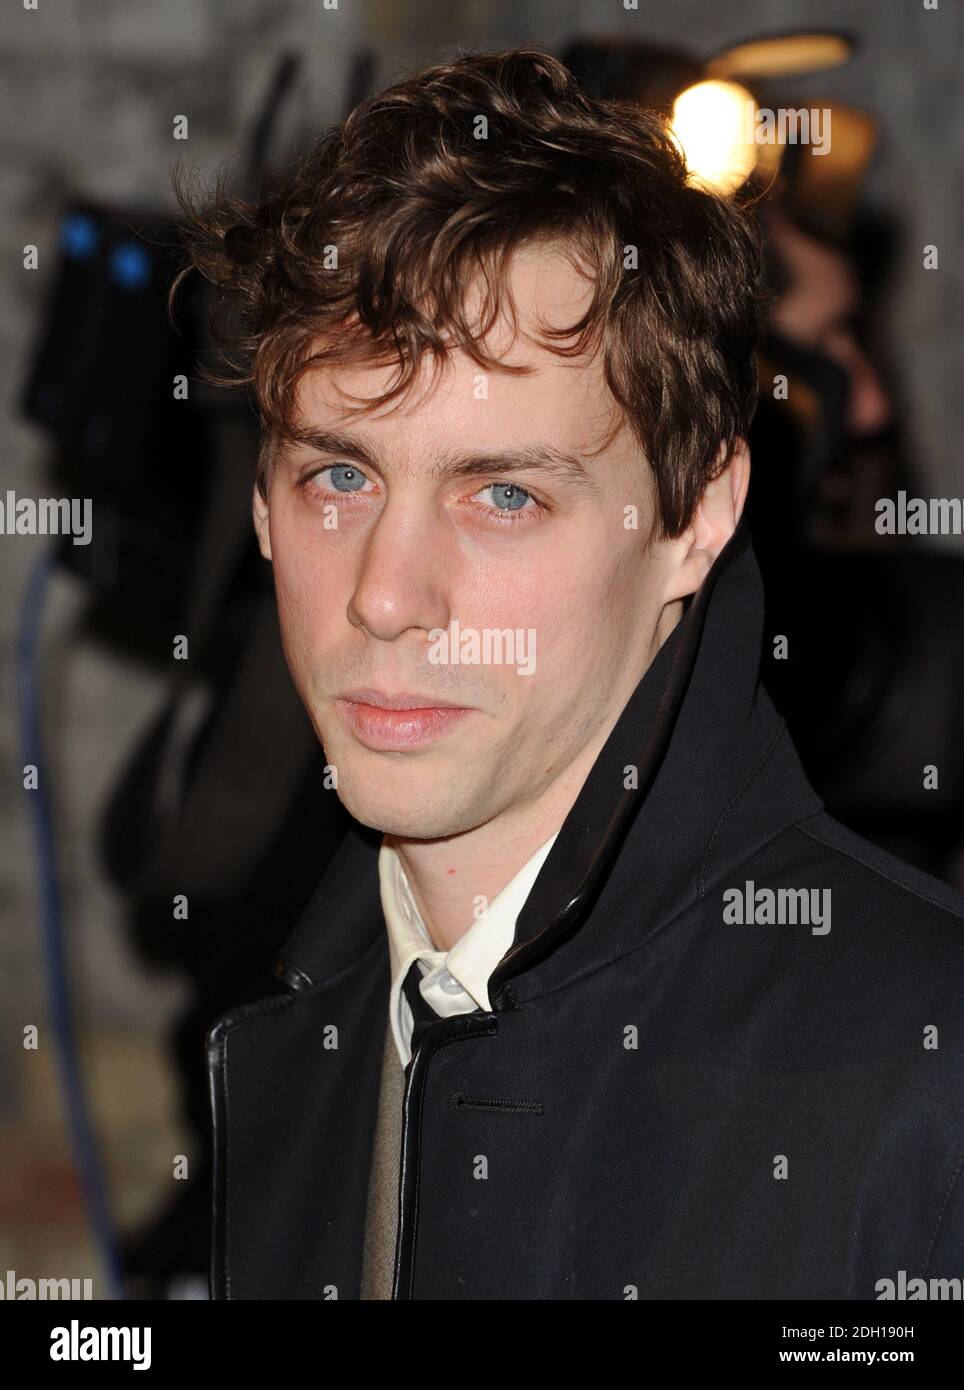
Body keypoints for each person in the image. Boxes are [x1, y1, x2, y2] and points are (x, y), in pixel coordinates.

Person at [172, 47, 964, 1300]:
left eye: (502, 494)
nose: (386, 594)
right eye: (339, 475)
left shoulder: (927, 1083)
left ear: (695, 516)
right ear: (263, 506)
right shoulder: (287, 1042)